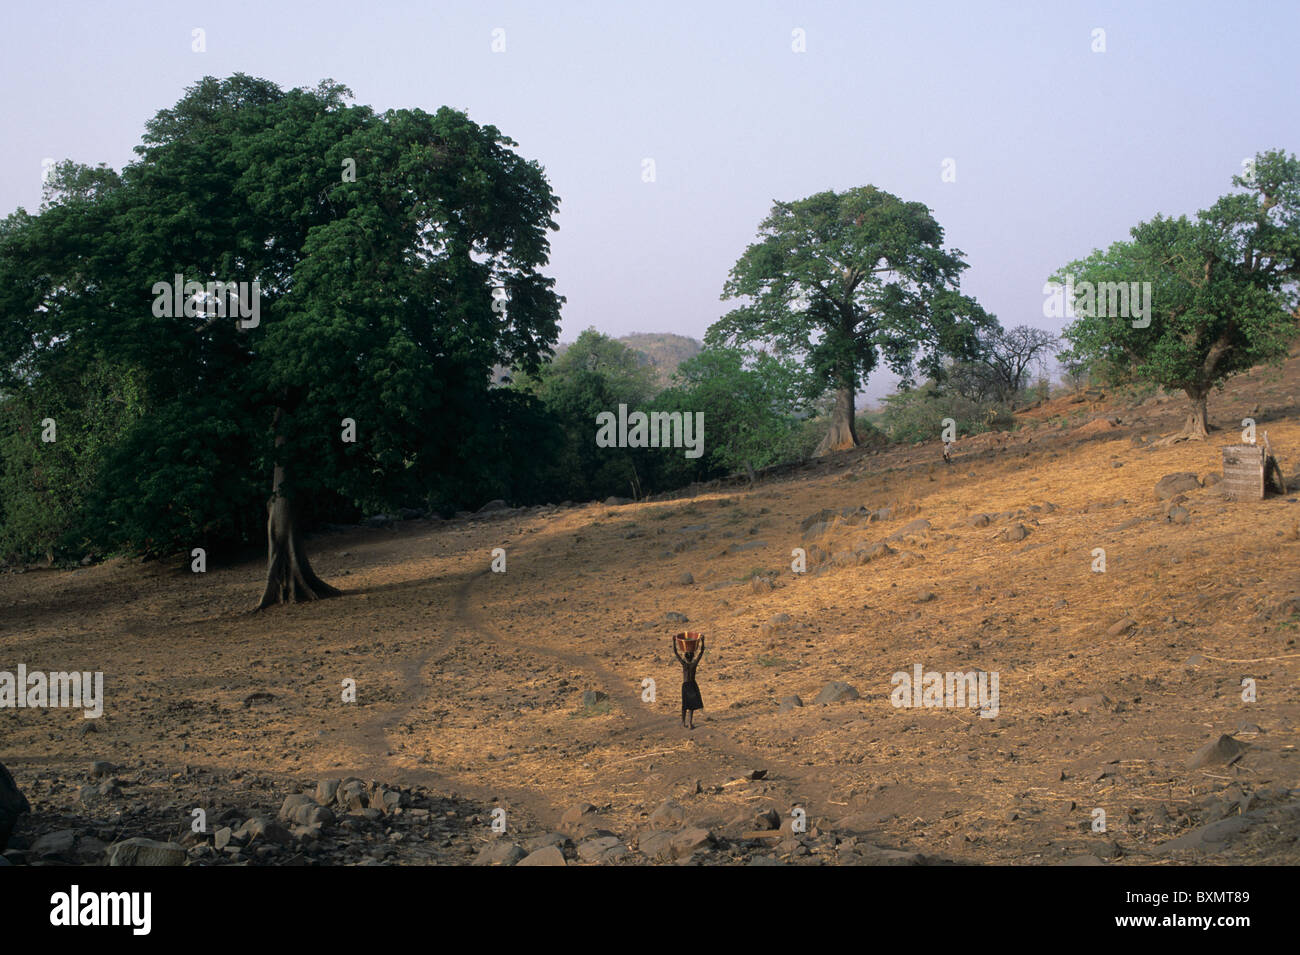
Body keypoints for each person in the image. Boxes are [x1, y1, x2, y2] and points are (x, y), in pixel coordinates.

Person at [672, 633, 706, 729]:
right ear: (692, 657)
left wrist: (674, 641)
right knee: (691, 706)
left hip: (685, 685)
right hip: (693, 685)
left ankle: (683, 722)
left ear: (686, 657)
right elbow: (701, 652)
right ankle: (690, 723)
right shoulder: (694, 664)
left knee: (685, 704)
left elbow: (676, 652)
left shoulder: (684, 664)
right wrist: (702, 641)